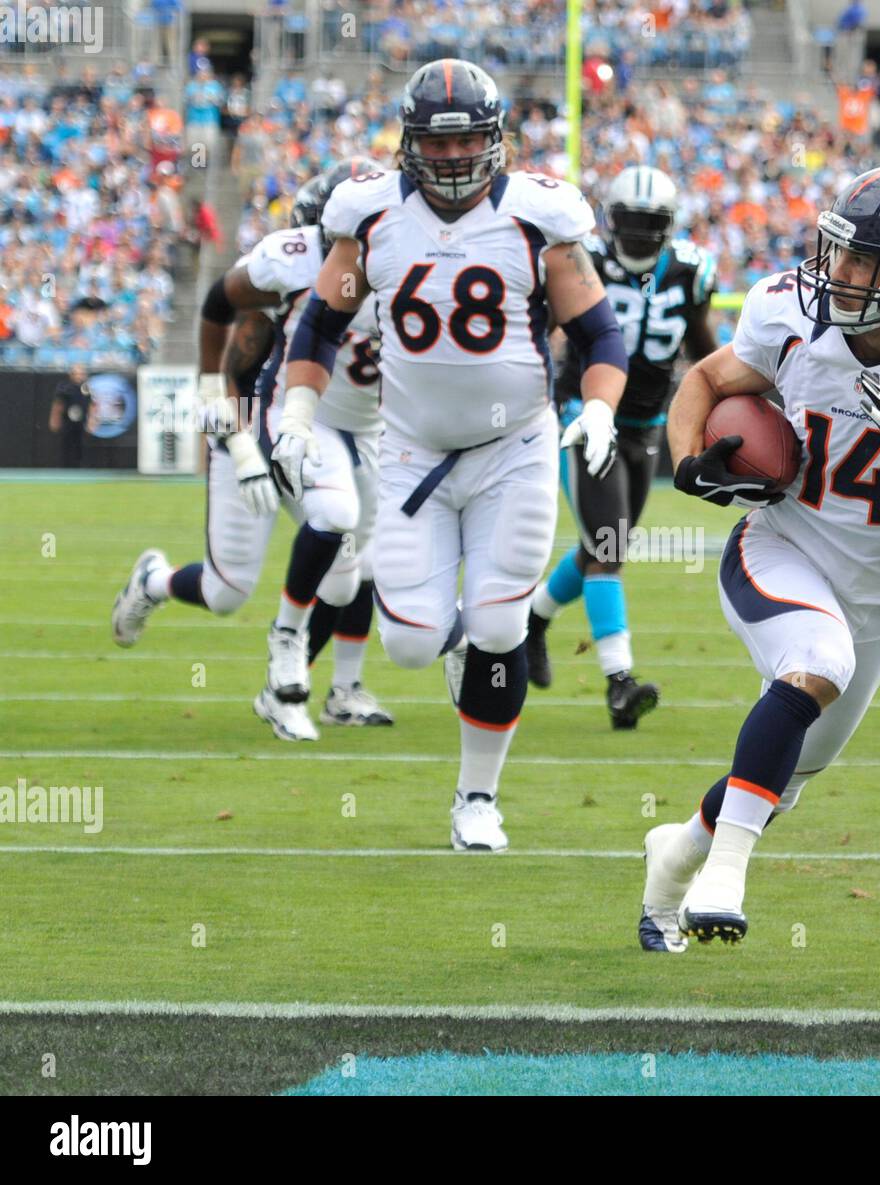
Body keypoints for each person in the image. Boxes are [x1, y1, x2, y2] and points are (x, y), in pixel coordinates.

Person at [639, 166, 880, 951]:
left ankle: (677, 853)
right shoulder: (790, 312)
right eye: (839, 252)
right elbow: (706, 378)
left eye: (865, 261)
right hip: (778, 544)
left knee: (784, 774)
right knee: (818, 657)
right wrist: (689, 464)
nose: (840, 273)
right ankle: (726, 871)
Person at [280, 60, 628, 852]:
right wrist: (298, 414)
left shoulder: (539, 217)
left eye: (468, 139)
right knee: (407, 641)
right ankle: (461, 646)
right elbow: (319, 328)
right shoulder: (368, 214)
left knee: (502, 626)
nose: (452, 157)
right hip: (408, 453)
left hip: (516, 451)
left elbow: (601, 334)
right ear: (408, 145)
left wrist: (601, 408)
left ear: (494, 137)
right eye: (436, 145)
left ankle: (477, 797)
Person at [111, 160, 394, 742]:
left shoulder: (405, 267)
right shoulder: (286, 270)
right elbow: (224, 320)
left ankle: (292, 689)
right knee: (225, 592)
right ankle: (155, 581)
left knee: (345, 578)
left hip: (336, 432)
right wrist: (235, 438)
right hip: (261, 425)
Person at [527, 166, 718, 728]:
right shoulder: (584, 261)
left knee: (599, 546)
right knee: (608, 546)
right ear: (610, 221)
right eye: (628, 222)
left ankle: (533, 621)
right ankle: (619, 682)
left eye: (648, 224)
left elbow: (705, 354)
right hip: (586, 416)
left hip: (646, 426)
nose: (635, 235)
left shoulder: (688, 272)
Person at [49, 363, 91, 468]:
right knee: (66, 446)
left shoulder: (86, 388)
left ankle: (79, 468)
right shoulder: (65, 387)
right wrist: (54, 419)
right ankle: (65, 468)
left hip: (81, 423)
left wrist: (92, 421)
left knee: (80, 448)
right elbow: (58, 405)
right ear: (72, 375)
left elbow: (92, 405)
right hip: (67, 422)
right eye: (77, 374)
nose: (80, 376)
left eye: (82, 374)